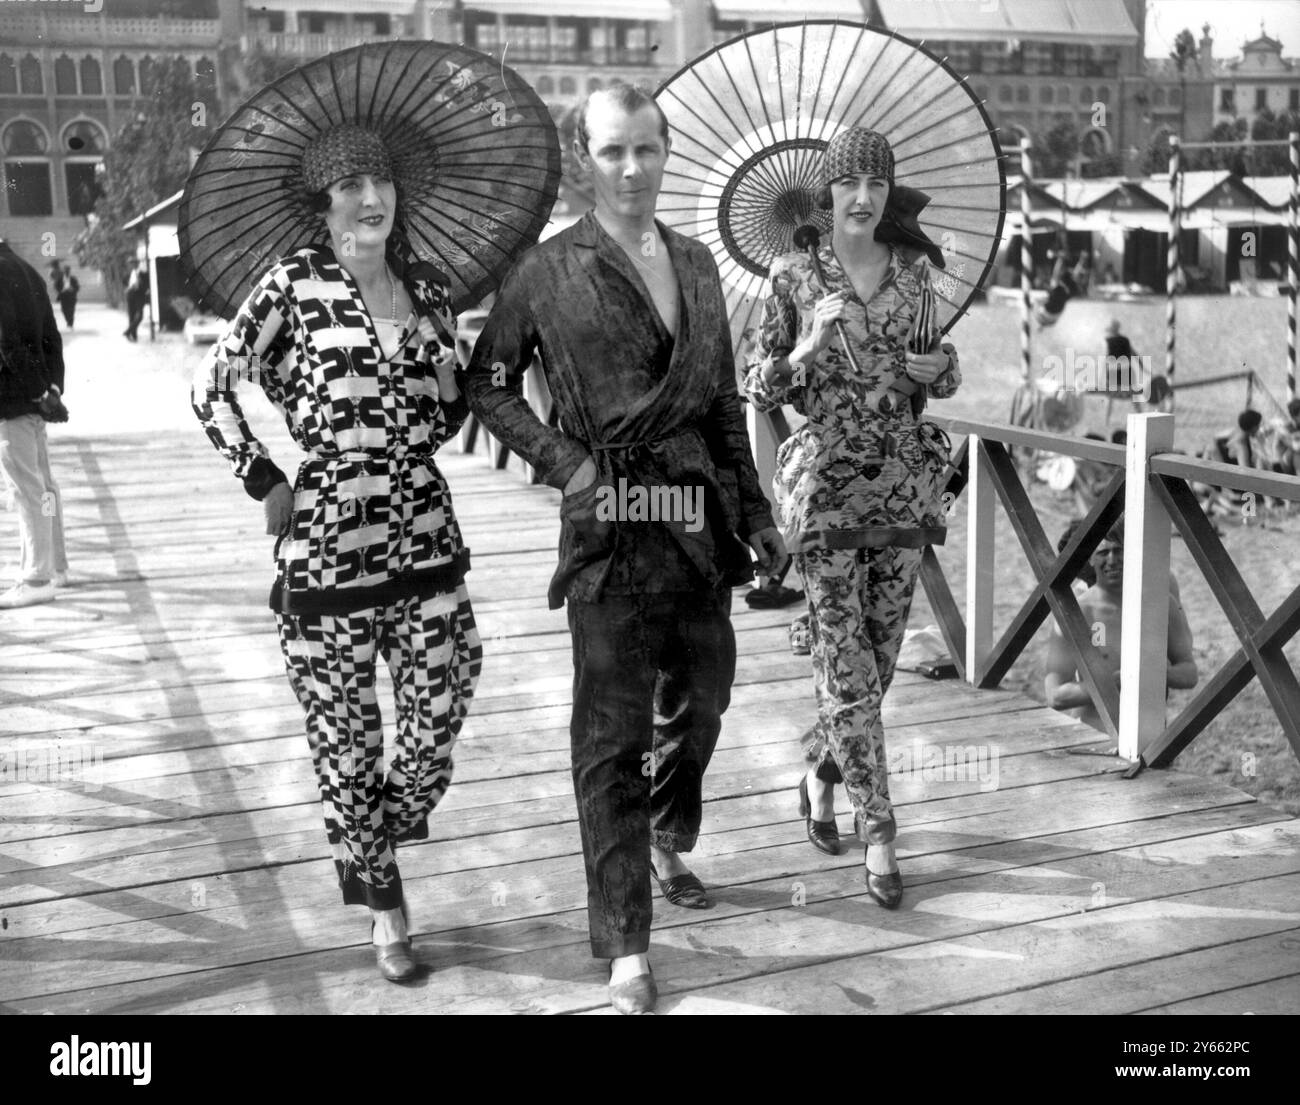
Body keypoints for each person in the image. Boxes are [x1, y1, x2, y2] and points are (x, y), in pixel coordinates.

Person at [465, 84, 783, 1014]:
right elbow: (488, 384)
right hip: (606, 527)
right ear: (584, 158)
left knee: (707, 697)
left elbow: (724, 401)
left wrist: (757, 514)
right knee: (609, 738)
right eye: (612, 152)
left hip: (696, 520)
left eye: (646, 149)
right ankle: (625, 945)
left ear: (666, 150)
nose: (632, 169)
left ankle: (664, 830)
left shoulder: (699, 265)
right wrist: (563, 463)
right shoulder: (546, 270)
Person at [192, 125, 482, 984]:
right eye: (351, 183)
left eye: (381, 180)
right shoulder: (293, 284)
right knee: (346, 738)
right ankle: (386, 909)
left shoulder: (425, 287)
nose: (370, 197)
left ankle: (369, 837)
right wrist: (262, 475)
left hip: (424, 533)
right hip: (325, 550)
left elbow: (443, 418)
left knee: (447, 695)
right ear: (325, 201)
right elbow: (211, 384)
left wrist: (444, 355)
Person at [744, 127, 960, 913]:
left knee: (875, 665)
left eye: (875, 183)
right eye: (848, 185)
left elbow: (945, 363)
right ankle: (881, 830)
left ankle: (819, 770)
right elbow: (756, 382)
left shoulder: (916, 277)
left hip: (903, 491)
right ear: (827, 196)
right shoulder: (795, 275)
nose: (862, 197)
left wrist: (939, 372)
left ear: (886, 192)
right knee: (844, 664)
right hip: (827, 491)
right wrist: (802, 347)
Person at [1045, 522, 1196, 732]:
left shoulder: (1163, 602)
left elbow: (1189, 674)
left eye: (1119, 551)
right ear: (1090, 558)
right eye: (1103, 552)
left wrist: (1155, 673)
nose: (1112, 560)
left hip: (1151, 740)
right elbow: (1055, 695)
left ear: (1133, 552)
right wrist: (1114, 683)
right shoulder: (1077, 611)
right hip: (1094, 738)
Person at [0, 237, 69, 608]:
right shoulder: (28, 271)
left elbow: (7, 345)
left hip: (11, 399)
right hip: (38, 399)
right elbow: (52, 340)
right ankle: (56, 565)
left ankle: (37, 576)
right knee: (44, 485)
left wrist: (38, 392)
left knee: (28, 489)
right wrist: (51, 389)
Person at [124, 262, 150, 342]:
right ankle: (129, 332)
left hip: (130, 294)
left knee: (132, 316)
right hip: (138, 295)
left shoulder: (131, 272)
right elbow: (145, 286)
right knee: (139, 315)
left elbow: (124, 281)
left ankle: (133, 335)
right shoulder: (143, 273)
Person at [54, 264, 79, 330]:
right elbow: (56, 286)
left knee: (71, 310)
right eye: (65, 271)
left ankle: (70, 323)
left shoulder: (73, 279)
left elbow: (77, 287)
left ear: (69, 271)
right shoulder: (60, 279)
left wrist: (73, 289)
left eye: (68, 271)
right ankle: (68, 321)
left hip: (71, 296)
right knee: (64, 310)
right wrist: (61, 290)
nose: (66, 272)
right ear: (63, 271)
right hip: (63, 296)